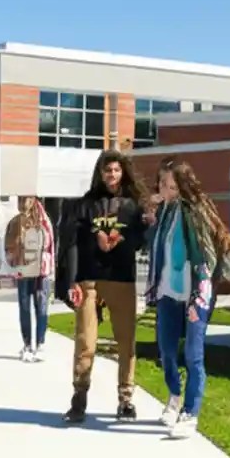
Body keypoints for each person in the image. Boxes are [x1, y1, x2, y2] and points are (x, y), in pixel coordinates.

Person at [56, 150, 148, 423]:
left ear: (123, 173)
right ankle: (79, 396)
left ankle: (126, 398)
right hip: (90, 279)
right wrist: (73, 279)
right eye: (108, 170)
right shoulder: (86, 204)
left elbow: (140, 241)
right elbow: (73, 242)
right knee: (86, 341)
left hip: (121, 277)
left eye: (117, 170)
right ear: (100, 173)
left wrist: (123, 236)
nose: (112, 175)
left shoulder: (133, 206)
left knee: (126, 341)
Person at [142, 157, 228, 438]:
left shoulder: (195, 211)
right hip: (168, 290)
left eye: (171, 186)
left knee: (193, 354)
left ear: (183, 185)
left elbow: (206, 257)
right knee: (166, 351)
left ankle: (190, 413)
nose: (165, 190)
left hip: (196, 292)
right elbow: (153, 246)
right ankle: (174, 397)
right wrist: (151, 218)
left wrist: (197, 296)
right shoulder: (165, 212)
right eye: (162, 184)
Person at [4, 195, 55, 362]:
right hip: (23, 268)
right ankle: (26, 344)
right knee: (24, 308)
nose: (21, 203)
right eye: (19, 199)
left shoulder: (43, 220)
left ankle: (40, 343)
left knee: (41, 307)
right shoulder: (15, 221)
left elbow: (48, 243)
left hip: (40, 269)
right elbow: (9, 244)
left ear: (32, 199)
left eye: (24, 199)